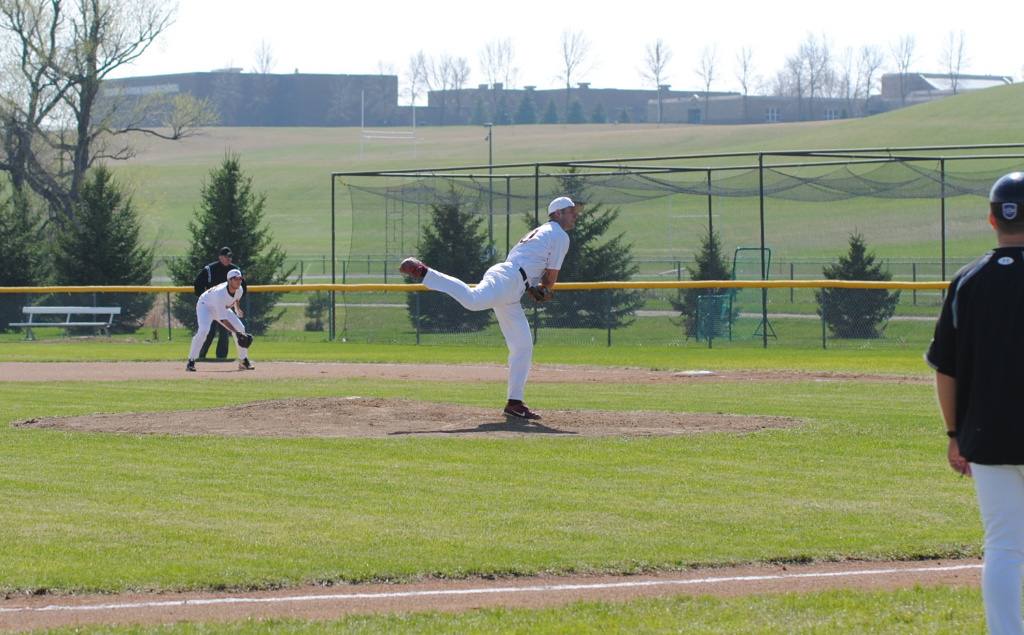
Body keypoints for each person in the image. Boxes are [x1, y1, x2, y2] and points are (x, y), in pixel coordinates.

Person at [925, 171, 1024, 635]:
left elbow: (946, 369)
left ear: (991, 220)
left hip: (985, 436)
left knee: (1003, 548)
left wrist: (953, 436)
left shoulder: (966, 281)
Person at [399, 196, 580, 421]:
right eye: (571, 211)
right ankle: (423, 271)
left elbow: (528, 263)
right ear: (558, 213)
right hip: (510, 279)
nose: (576, 215)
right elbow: (550, 280)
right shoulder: (559, 234)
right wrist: (541, 287)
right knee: (474, 300)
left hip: (512, 286)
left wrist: (531, 286)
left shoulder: (542, 232)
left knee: (523, 345)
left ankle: (514, 403)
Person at [187, 268, 254, 372]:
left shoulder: (239, 289)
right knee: (204, 330)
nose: (238, 281)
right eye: (235, 279)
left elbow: (236, 299)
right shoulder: (221, 294)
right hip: (206, 306)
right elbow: (223, 319)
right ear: (229, 280)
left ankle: (243, 361)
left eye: (240, 279)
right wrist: (236, 333)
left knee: (241, 328)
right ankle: (191, 361)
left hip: (221, 307)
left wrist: (237, 309)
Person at [193, 247, 240, 359]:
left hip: (225, 305)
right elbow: (198, 284)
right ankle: (202, 355)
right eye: (226, 256)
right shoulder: (210, 269)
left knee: (225, 332)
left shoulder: (234, 270)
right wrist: (204, 299)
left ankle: (221, 356)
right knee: (208, 331)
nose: (228, 258)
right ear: (220, 257)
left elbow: (241, 288)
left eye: (230, 256)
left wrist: (234, 304)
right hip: (209, 306)